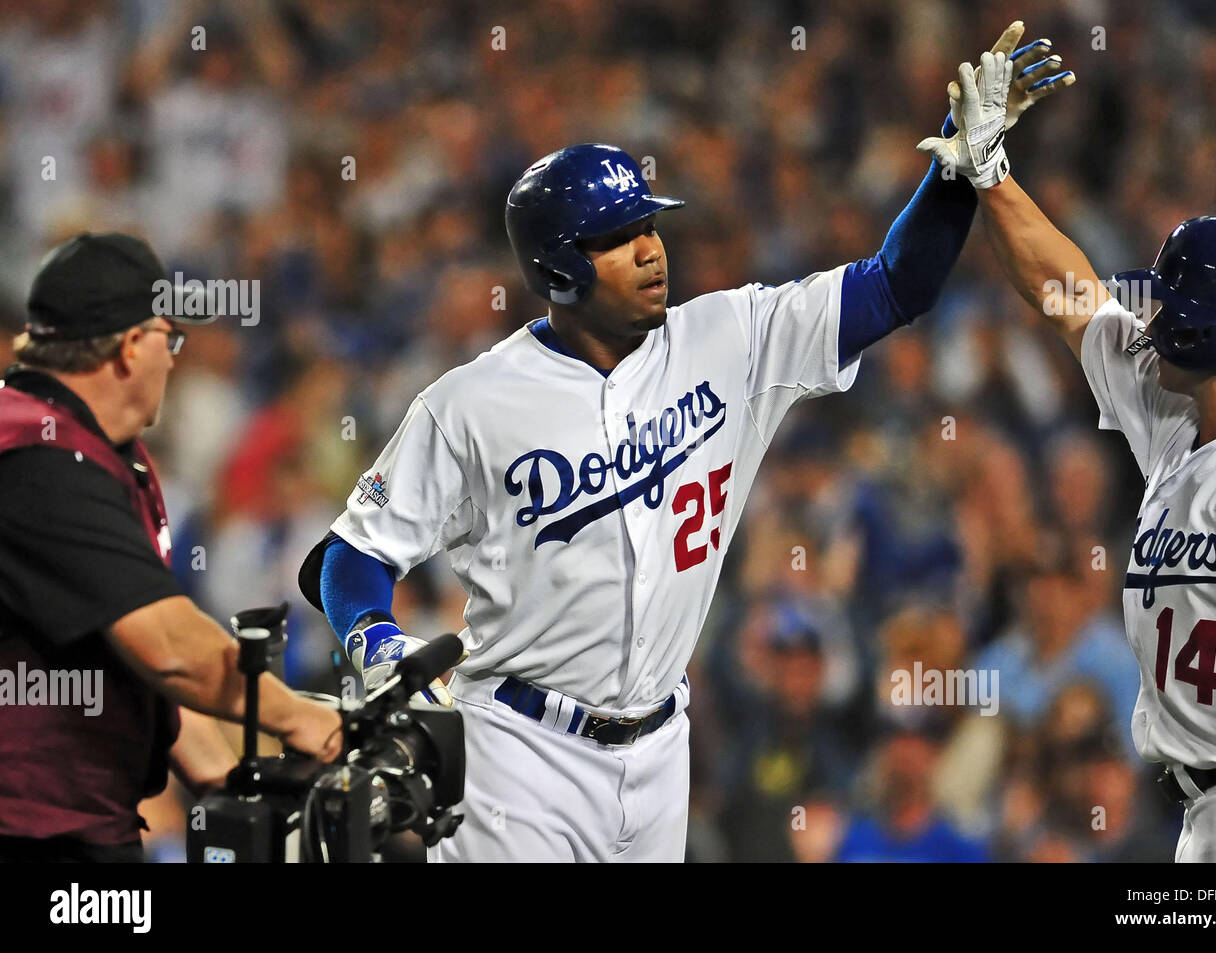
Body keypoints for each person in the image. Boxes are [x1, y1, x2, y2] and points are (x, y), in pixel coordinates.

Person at [300, 24, 1074, 862]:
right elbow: (348, 555)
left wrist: (957, 174)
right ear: (560, 270)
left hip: (664, 748)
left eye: (650, 226)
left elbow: (896, 286)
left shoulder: (730, 336)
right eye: (619, 237)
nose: (650, 249)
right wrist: (377, 641)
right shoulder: (471, 404)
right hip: (520, 749)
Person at [922, 55, 1216, 862]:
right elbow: (1070, 297)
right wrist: (989, 171)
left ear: (1209, 330)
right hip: (1203, 817)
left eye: (1169, 303)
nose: (1149, 314)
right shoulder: (1180, 414)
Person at [0, 233, 342, 863]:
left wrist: (230, 778)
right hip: (32, 834)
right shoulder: (39, 459)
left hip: (75, 821)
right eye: (170, 338)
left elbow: (136, 660)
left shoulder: (90, 447)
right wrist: (300, 717)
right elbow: (170, 649)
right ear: (133, 346)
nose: (175, 358)